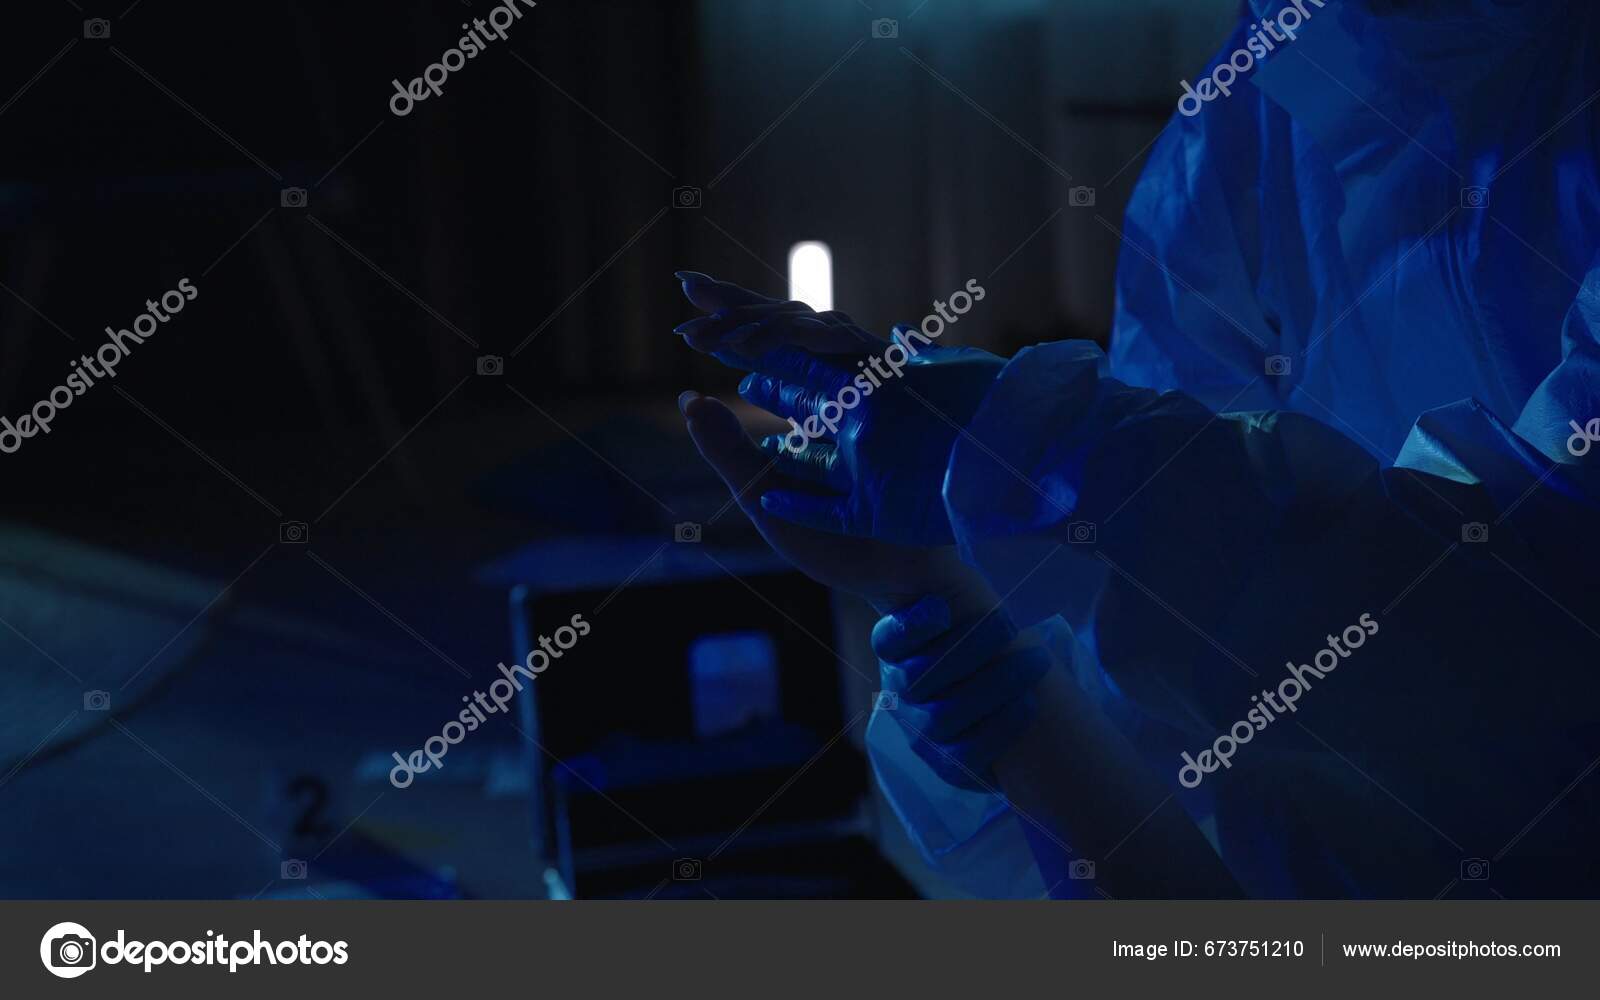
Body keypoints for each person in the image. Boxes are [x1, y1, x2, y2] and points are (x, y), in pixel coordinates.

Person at [675, 0, 1600, 898]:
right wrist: (956, 617)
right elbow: (1185, 747)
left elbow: (1536, 641)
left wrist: (1031, 453)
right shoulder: (1265, 93)